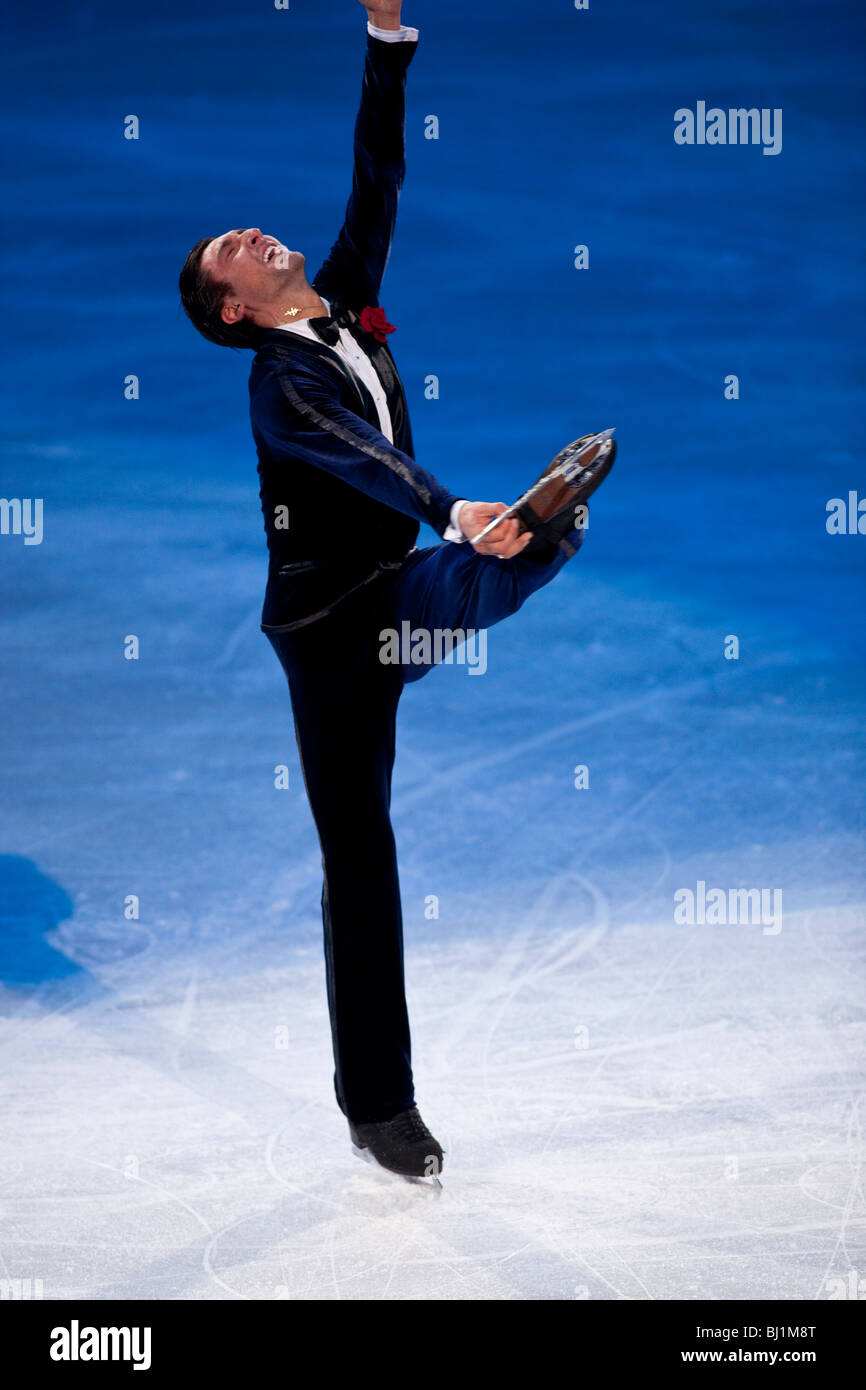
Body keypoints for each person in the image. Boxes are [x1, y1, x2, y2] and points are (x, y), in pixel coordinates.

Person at [179, 0, 614, 1182]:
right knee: (357, 854)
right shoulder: (277, 385)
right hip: (331, 622)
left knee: (466, 581)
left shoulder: (342, 307)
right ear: (230, 308)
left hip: (400, 580)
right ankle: (378, 1103)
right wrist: (452, 504)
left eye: (254, 229)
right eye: (234, 246)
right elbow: (356, 457)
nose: (257, 234)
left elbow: (379, 174)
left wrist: (384, 34)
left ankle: (521, 544)